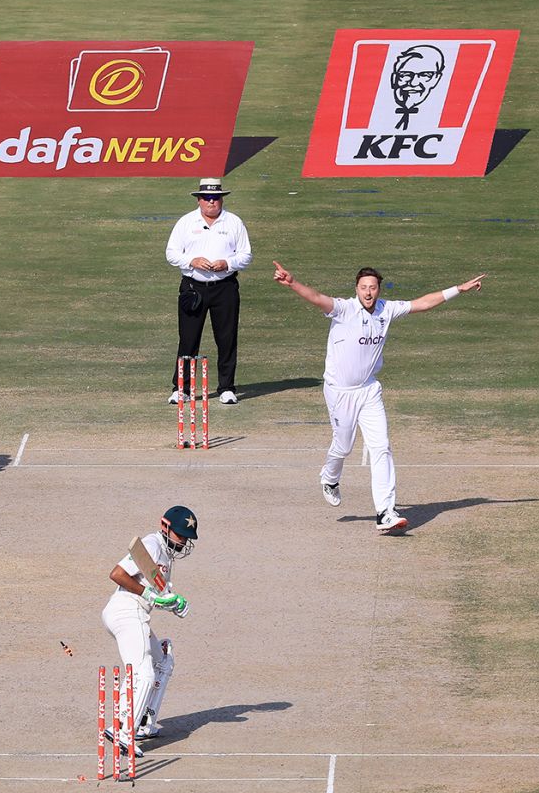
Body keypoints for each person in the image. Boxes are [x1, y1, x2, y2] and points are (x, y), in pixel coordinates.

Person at [272, 261, 485, 534]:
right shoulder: (344, 309)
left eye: (373, 287)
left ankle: (385, 512)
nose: (368, 292)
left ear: (379, 289)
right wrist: (292, 283)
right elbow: (316, 298)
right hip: (340, 392)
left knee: (381, 446)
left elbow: (423, 303)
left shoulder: (387, 309)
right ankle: (329, 477)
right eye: (363, 288)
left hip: (370, 390)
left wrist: (459, 289)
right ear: (356, 289)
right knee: (343, 447)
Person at [101, 505, 197, 748]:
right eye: (180, 535)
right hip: (126, 611)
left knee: (163, 661)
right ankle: (123, 730)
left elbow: (158, 593)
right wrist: (153, 597)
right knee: (144, 672)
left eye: (187, 538)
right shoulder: (152, 544)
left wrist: (174, 603)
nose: (183, 541)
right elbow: (117, 574)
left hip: (136, 613)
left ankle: (145, 723)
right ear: (165, 526)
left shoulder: (165, 555)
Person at [166, 179, 252, 405]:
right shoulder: (186, 222)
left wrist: (228, 263)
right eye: (207, 198)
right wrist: (192, 260)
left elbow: (246, 255)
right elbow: (171, 253)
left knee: (226, 338)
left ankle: (226, 387)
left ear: (222, 199)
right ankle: (181, 388)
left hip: (224, 287)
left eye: (216, 198)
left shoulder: (233, 222)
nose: (211, 202)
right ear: (199, 200)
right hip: (193, 288)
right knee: (188, 339)